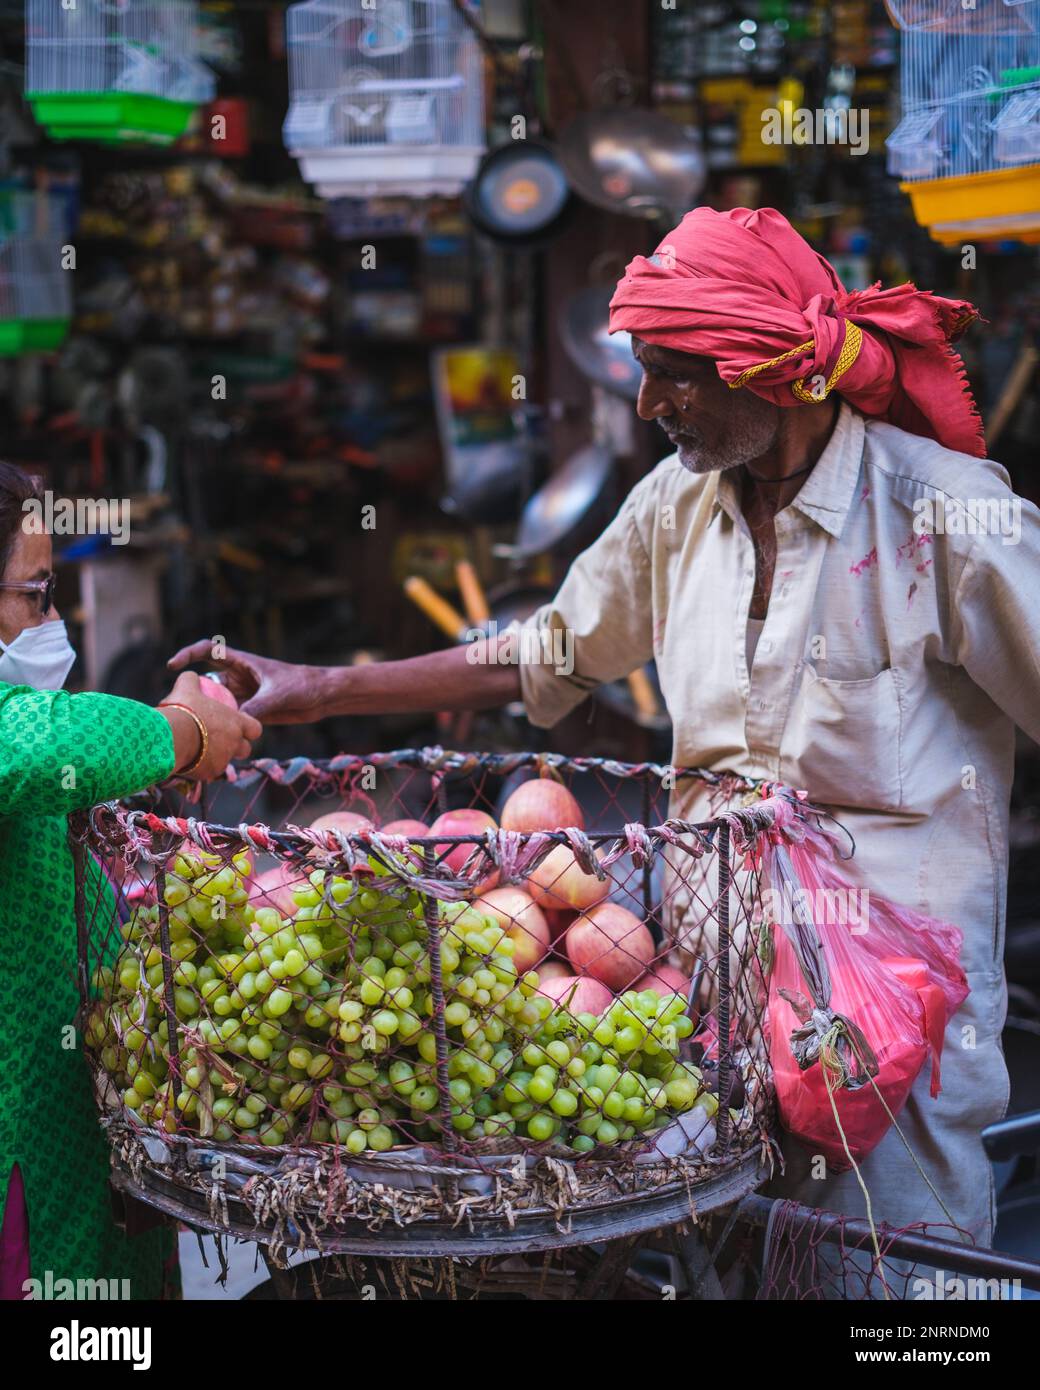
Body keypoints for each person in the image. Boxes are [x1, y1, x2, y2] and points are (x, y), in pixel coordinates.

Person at [169, 207, 1036, 1259]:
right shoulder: (678, 502)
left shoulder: (942, 513)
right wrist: (319, 687)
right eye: (641, 366)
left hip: (890, 1008)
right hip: (713, 984)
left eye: (673, 370)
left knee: (895, 1266)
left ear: (773, 369)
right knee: (745, 1255)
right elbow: (549, 652)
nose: (646, 401)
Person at [0, 461, 262, 1300]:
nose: (52, 622)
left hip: (72, 1134)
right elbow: (39, 750)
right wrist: (182, 728)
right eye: (35, 595)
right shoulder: (22, 738)